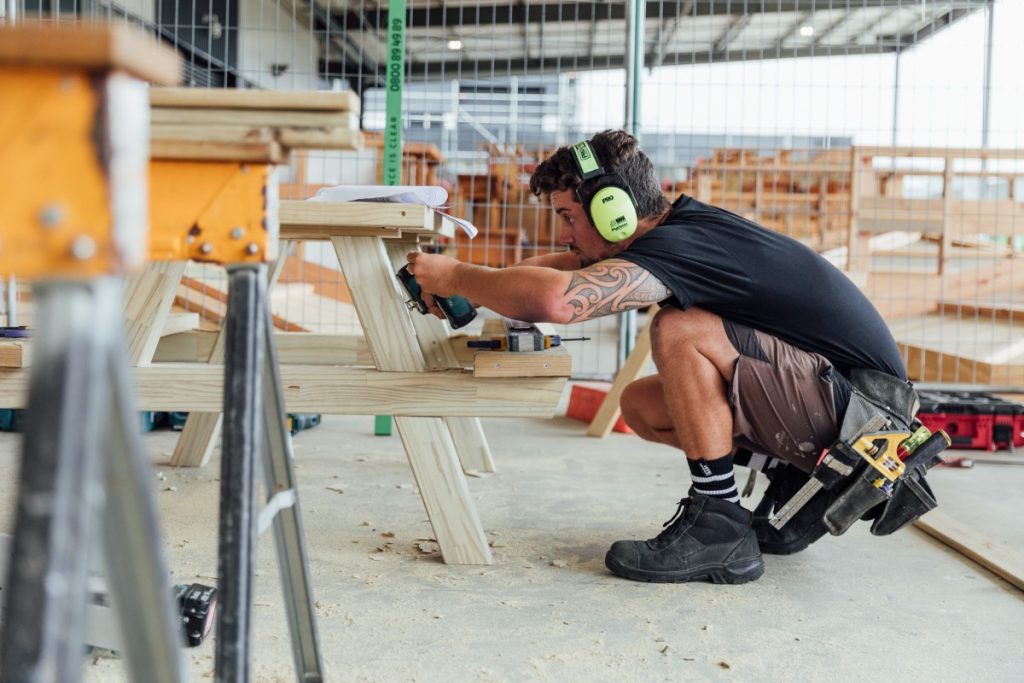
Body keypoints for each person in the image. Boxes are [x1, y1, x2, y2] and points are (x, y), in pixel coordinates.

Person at [406, 129, 907, 585]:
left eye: (567, 217)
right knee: (643, 405)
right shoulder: (675, 236)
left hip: (866, 422)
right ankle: (799, 482)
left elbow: (559, 299)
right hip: (848, 412)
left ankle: (719, 526)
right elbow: (561, 267)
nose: (564, 234)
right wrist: (480, 288)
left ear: (613, 208)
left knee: (679, 329)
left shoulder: (684, 245)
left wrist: (456, 277)